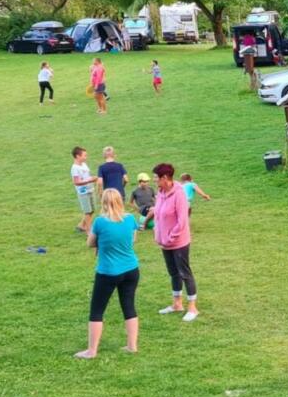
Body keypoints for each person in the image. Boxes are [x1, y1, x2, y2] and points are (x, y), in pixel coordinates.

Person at [75, 188, 140, 358]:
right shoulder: (130, 219)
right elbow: (132, 239)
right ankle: (132, 345)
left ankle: (92, 350)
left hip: (108, 272)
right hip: (131, 269)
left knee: (97, 309)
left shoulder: (100, 222)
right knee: (128, 306)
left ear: (103, 202)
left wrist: (100, 243)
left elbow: (90, 243)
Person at [151, 162, 198, 322]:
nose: (154, 181)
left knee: (184, 273)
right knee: (173, 273)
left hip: (178, 242)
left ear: (165, 178)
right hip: (164, 242)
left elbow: (182, 220)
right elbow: (157, 215)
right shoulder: (160, 193)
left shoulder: (179, 194)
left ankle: (192, 307)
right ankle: (177, 304)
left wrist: (171, 237)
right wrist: (158, 234)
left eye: (156, 178)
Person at [70, 146, 97, 234]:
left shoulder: (84, 165)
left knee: (92, 210)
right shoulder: (74, 168)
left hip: (90, 189)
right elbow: (76, 182)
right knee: (87, 211)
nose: (86, 157)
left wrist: (92, 178)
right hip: (83, 192)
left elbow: (87, 175)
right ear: (78, 156)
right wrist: (90, 180)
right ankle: (89, 230)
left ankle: (81, 225)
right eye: (84, 155)